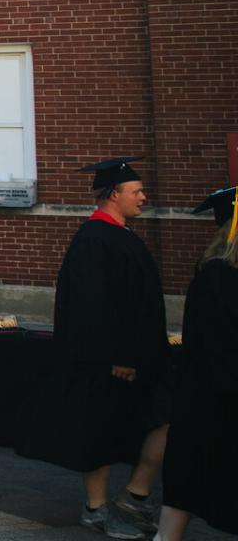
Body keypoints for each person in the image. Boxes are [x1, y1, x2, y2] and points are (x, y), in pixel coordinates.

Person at [18, 157, 171, 539]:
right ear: (114, 194)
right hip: (108, 362)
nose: (143, 197)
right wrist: (118, 355)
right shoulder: (94, 240)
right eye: (136, 192)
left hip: (138, 358)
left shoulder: (120, 235)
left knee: (161, 420)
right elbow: (94, 305)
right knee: (100, 431)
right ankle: (98, 507)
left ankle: (133, 496)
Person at [155, 186, 236, 541]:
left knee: (187, 484)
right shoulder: (218, 277)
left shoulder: (215, 273)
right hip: (214, 398)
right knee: (189, 482)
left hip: (209, 397)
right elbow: (218, 345)